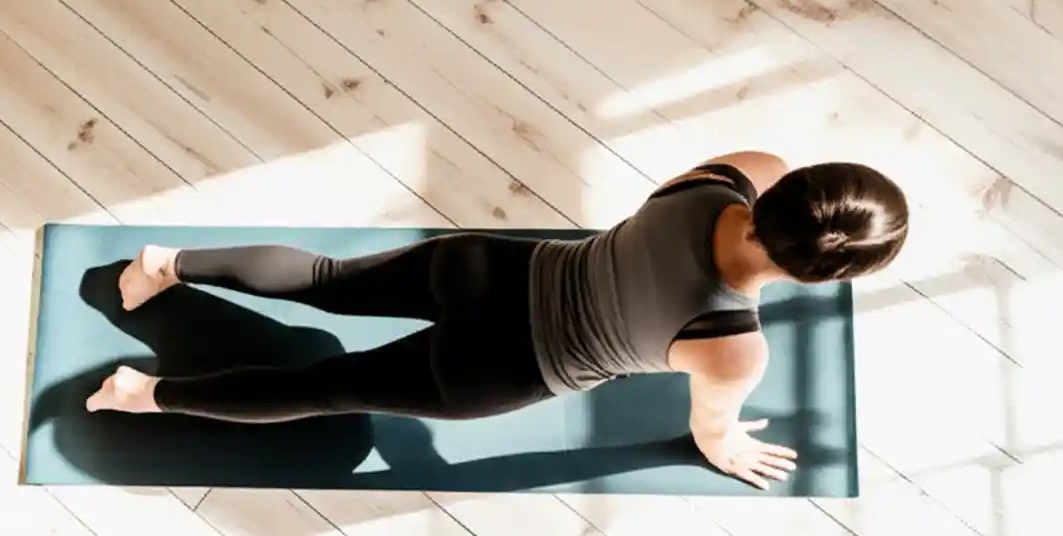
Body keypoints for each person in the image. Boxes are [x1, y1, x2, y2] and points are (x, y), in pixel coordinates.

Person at [86, 151, 909, 489]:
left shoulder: (735, 175)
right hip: (498, 366)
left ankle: (164, 264)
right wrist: (727, 450)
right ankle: (140, 395)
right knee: (326, 388)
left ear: (793, 187)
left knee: (327, 280)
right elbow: (710, 431)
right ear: (817, 276)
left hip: (488, 266)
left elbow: (764, 182)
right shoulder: (733, 348)